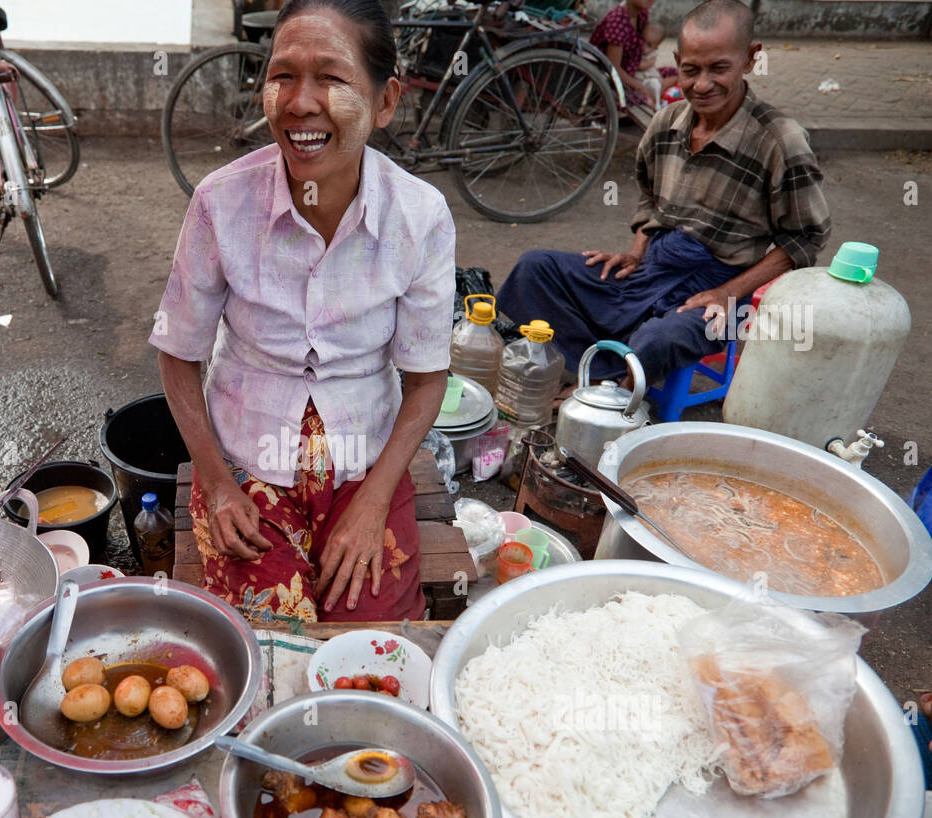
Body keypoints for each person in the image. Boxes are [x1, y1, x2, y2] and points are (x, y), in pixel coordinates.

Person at [151, 0, 455, 624]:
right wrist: (216, 484)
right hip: (245, 462)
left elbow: (426, 381)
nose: (300, 102)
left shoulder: (419, 217)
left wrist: (373, 504)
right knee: (274, 635)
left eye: (332, 78)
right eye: (282, 75)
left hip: (363, 461)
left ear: (385, 102)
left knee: (371, 637)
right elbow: (178, 356)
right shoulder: (220, 203)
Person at [498, 0, 831, 386]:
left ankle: (608, 390)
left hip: (719, 293)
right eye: (690, 70)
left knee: (658, 339)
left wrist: (727, 292)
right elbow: (651, 199)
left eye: (719, 68)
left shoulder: (780, 140)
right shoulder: (668, 122)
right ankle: (597, 372)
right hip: (650, 273)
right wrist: (635, 253)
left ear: (750, 58)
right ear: (677, 61)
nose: (702, 84)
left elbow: (806, 238)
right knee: (534, 269)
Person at [589, 0, 659, 109]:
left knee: (675, 75)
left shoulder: (642, 14)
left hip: (629, 73)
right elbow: (613, 69)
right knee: (648, 102)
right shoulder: (618, 21)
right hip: (609, 84)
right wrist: (640, 87)